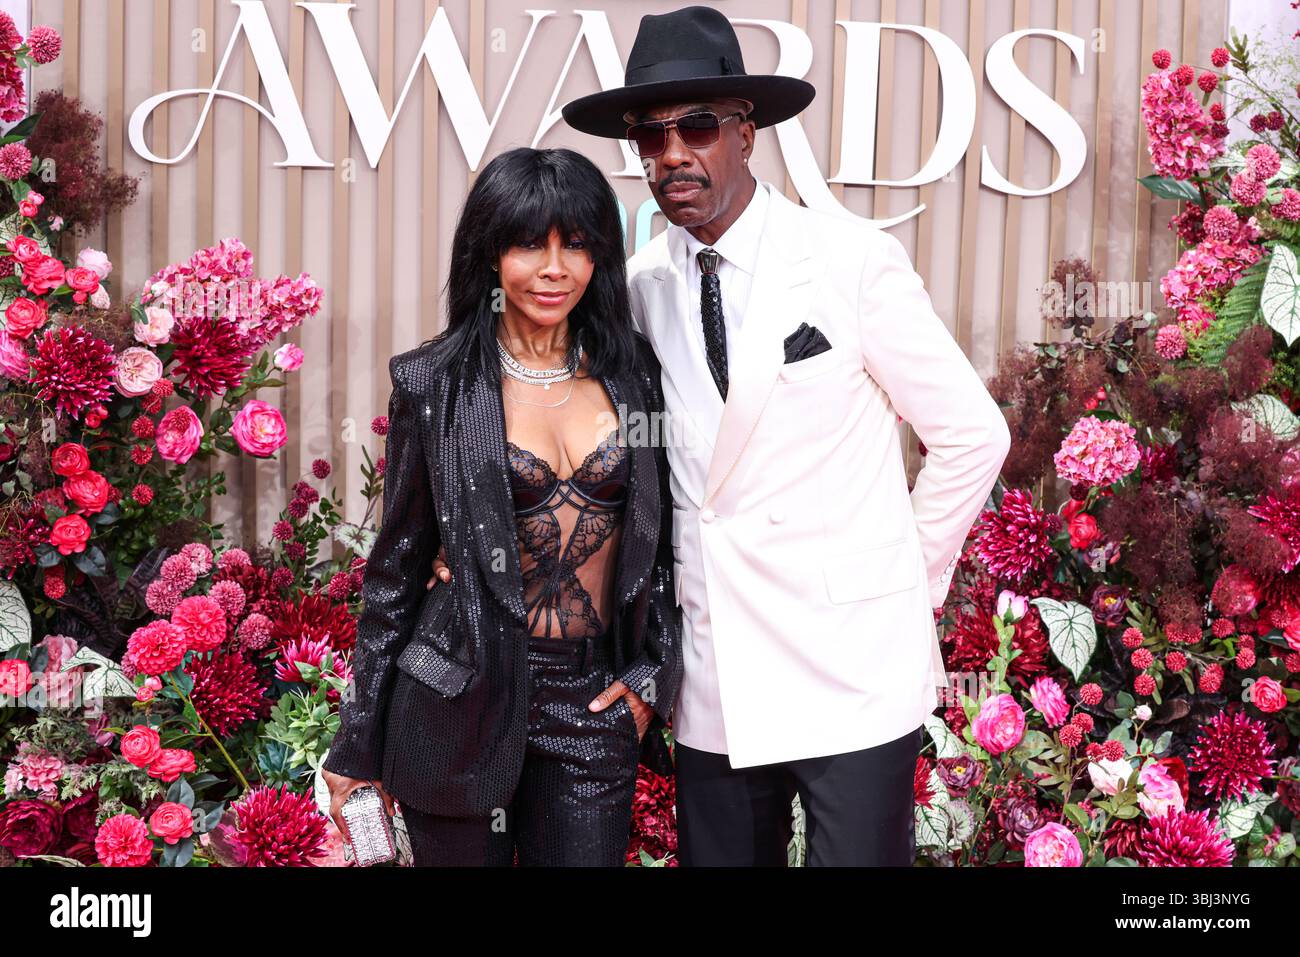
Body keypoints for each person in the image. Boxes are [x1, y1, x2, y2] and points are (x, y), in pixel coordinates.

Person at [556, 6, 1012, 866]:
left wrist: (902, 583)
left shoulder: (850, 260)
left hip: (853, 667)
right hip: (718, 672)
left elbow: (972, 436)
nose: (672, 154)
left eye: (696, 125)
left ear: (747, 133)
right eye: (650, 135)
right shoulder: (639, 288)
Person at [322, 146, 682, 866]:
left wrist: (653, 672)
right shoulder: (434, 383)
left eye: (575, 245)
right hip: (458, 695)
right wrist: (357, 743)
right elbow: (395, 574)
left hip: (591, 704)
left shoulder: (636, 374)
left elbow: (671, 538)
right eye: (528, 245)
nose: (554, 268)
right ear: (489, 254)